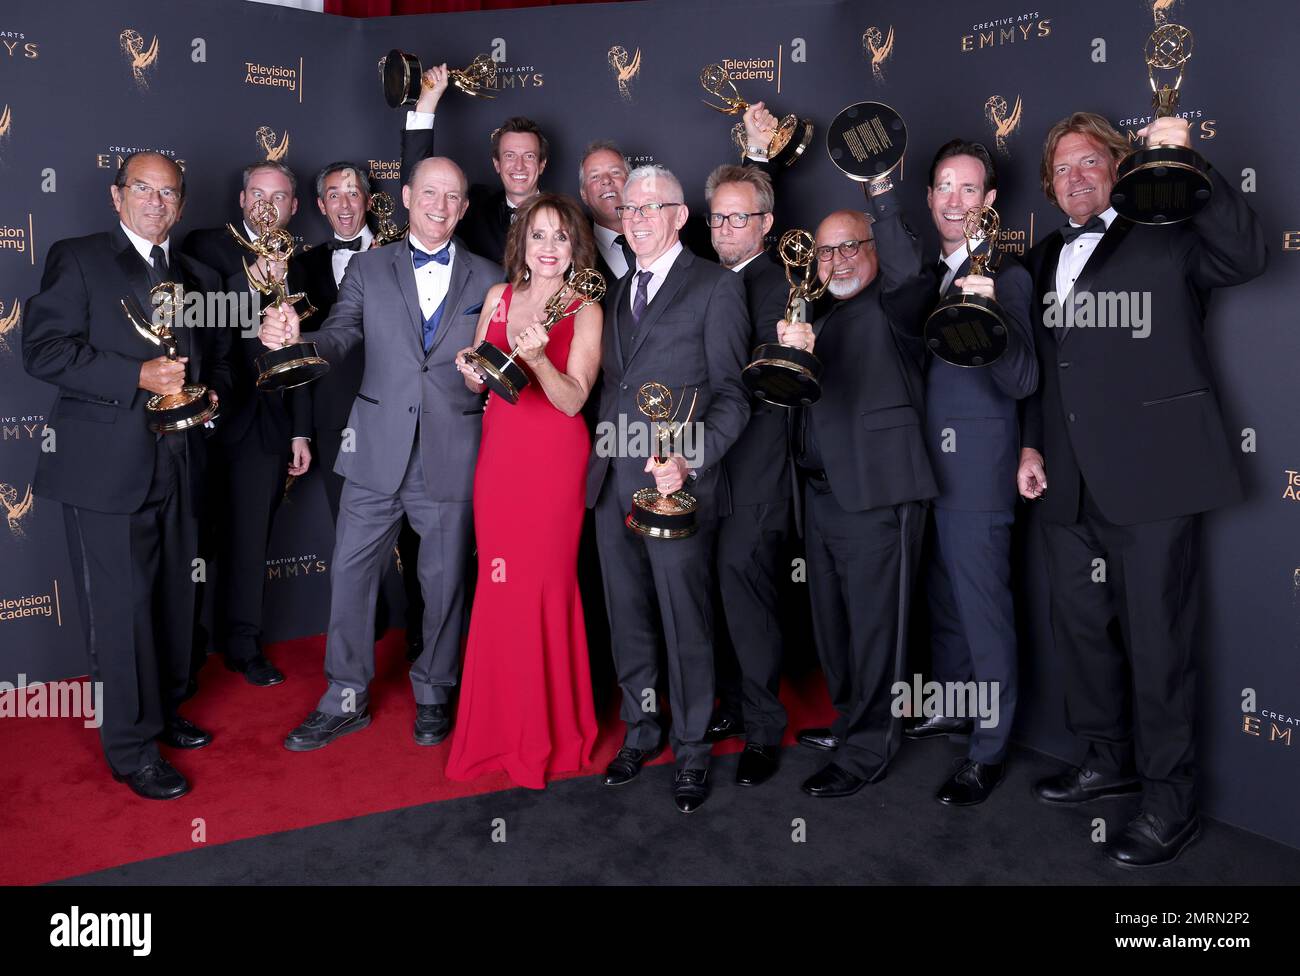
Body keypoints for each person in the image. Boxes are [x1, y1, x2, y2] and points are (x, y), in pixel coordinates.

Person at [1020, 112, 1266, 866]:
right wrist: (1031, 441)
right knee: (1084, 634)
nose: (1077, 178)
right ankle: (1105, 759)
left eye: (1091, 161)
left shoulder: (1171, 228)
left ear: (1122, 166)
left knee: (1160, 647)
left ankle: (1170, 803)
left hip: (1155, 477)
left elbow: (1248, 253)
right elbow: (1044, 365)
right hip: (1066, 481)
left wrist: (1189, 161)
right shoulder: (1039, 258)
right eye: (1062, 169)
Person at [262, 156, 504, 752]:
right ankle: (345, 698)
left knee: (444, 582)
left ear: (464, 208)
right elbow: (342, 333)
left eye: (452, 197)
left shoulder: (492, 276)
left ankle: (433, 692)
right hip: (373, 451)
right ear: (406, 196)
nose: (440, 205)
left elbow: (499, 361)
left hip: (451, 451)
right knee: (348, 576)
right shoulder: (369, 269)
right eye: (429, 193)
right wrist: (300, 338)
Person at [23, 151, 231, 799]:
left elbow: (216, 358)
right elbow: (43, 349)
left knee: (174, 599)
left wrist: (212, 393)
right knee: (122, 612)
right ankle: (131, 747)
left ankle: (164, 710)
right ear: (118, 197)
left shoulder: (192, 275)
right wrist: (134, 376)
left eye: (169, 193)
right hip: (104, 469)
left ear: (182, 204)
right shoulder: (79, 258)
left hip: (180, 460)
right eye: (143, 189)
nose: (156, 202)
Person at [586, 165, 751, 813]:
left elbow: (735, 396)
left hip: (676, 486)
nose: (638, 217)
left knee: (686, 622)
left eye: (652, 207)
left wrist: (689, 459)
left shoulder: (715, 287)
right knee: (629, 618)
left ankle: (689, 749)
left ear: (682, 216)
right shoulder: (613, 290)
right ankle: (643, 727)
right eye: (629, 208)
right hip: (612, 484)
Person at [782, 179, 937, 798]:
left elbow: (907, 270)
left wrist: (881, 192)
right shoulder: (815, 313)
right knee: (835, 625)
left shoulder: (898, 306)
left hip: (878, 494)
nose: (838, 260)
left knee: (878, 629)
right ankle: (851, 719)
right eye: (826, 252)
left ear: (875, 249)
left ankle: (869, 747)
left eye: (851, 247)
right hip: (821, 496)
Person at [445, 193, 603, 788]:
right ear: (523, 243)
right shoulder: (497, 297)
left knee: (546, 588)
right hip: (501, 458)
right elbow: (479, 385)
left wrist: (537, 359)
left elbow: (572, 400)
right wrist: (469, 368)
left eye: (560, 237)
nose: (548, 247)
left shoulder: (585, 308)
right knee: (499, 587)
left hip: (553, 461)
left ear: (574, 247)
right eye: (538, 235)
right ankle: (494, 731)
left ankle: (552, 735)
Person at [906, 139, 1037, 804]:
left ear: (989, 203)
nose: (955, 202)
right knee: (946, 601)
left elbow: (1024, 380)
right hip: (928, 469)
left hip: (979, 472)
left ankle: (989, 750)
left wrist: (991, 323)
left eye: (969, 191)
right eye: (944, 189)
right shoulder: (928, 274)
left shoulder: (1006, 277)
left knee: (982, 610)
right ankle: (956, 705)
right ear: (929, 199)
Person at [293, 161, 425, 659]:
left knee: (416, 534)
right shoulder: (300, 266)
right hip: (334, 418)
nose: (345, 204)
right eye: (334, 195)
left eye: (353, 193)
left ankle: (421, 629)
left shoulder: (403, 253)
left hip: (400, 413)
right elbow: (302, 354)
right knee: (351, 537)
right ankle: (361, 636)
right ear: (321, 206)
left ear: (368, 200)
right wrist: (299, 431)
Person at [196, 162, 312, 688]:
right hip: (205, 420)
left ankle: (243, 645)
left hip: (265, 424)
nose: (268, 205)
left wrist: (300, 429)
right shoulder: (204, 248)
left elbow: (305, 356)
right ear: (242, 199)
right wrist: (252, 280)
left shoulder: (300, 261)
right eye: (259, 195)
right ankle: (188, 650)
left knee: (249, 546)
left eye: (280, 197)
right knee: (193, 545)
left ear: (293, 207)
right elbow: (200, 317)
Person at [699, 163, 791, 788]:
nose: (728, 228)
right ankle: (731, 705)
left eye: (740, 217)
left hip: (755, 468)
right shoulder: (703, 282)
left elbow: (769, 384)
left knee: (746, 592)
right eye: (720, 217)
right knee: (713, 593)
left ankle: (763, 727)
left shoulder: (784, 285)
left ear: (766, 223)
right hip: (704, 466)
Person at [402, 64, 547, 263]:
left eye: (529, 156)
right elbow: (418, 181)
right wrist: (427, 103)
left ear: (542, 164)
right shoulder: (476, 208)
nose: (519, 166)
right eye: (510, 156)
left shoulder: (566, 215)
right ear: (497, 163)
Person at [577, 140, 633, 284]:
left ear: (631, 182)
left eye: (615, 172)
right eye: (595, 176)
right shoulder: (573, 252)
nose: (606, 180)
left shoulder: (667, 234)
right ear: (584, 194)